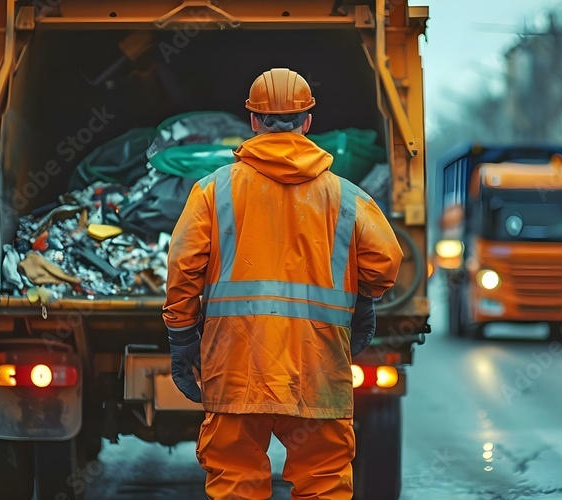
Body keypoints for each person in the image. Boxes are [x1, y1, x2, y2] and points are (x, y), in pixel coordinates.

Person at [163, 68, 403, 499]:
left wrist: (182, 339)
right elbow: (385, 261)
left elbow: (183, 268)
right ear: (308, 120)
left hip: (236, 368)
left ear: (253, 120)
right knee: (323, 482)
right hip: (317, 368)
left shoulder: (211, 192)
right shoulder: (347, 197)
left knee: (235, 481)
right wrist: (365, 300)